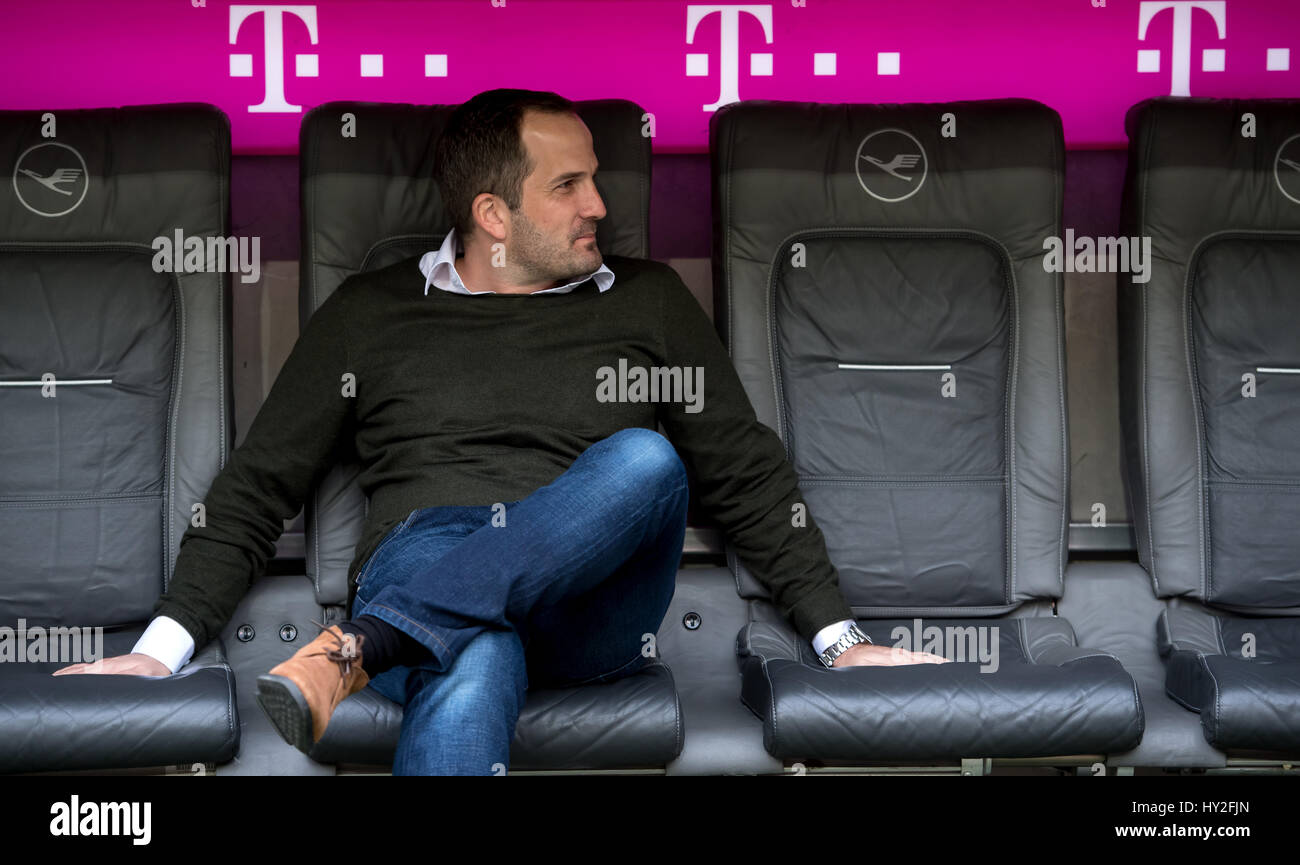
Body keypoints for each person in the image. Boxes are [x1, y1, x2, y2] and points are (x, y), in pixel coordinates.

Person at [54, 88, 946, 774]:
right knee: (474, 648)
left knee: (645, 459)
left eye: (596, 176)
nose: (599, 203)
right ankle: (411, 627)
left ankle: (368, 644)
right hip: (425, 547)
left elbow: (745, 473)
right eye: (568, 186)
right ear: (492, 215)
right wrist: (157, 653)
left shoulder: (648, 300)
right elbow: (259, 484)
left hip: (593, 602)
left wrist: (839, 638)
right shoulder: (371, 311)